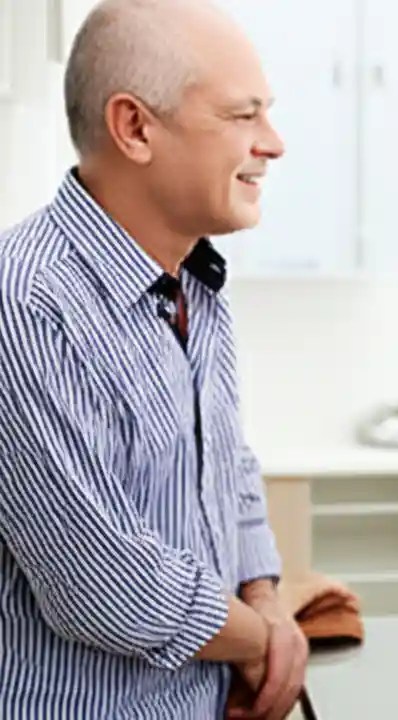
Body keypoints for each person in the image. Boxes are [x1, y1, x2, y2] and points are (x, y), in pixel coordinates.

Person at [0, 0, 306, 718]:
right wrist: (264, 639)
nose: (274, 143)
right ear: (135, 127)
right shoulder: (26, 307)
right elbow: (103, 584)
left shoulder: (193, 281)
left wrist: (264, 591)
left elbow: (226, 464)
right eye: (243, 116)